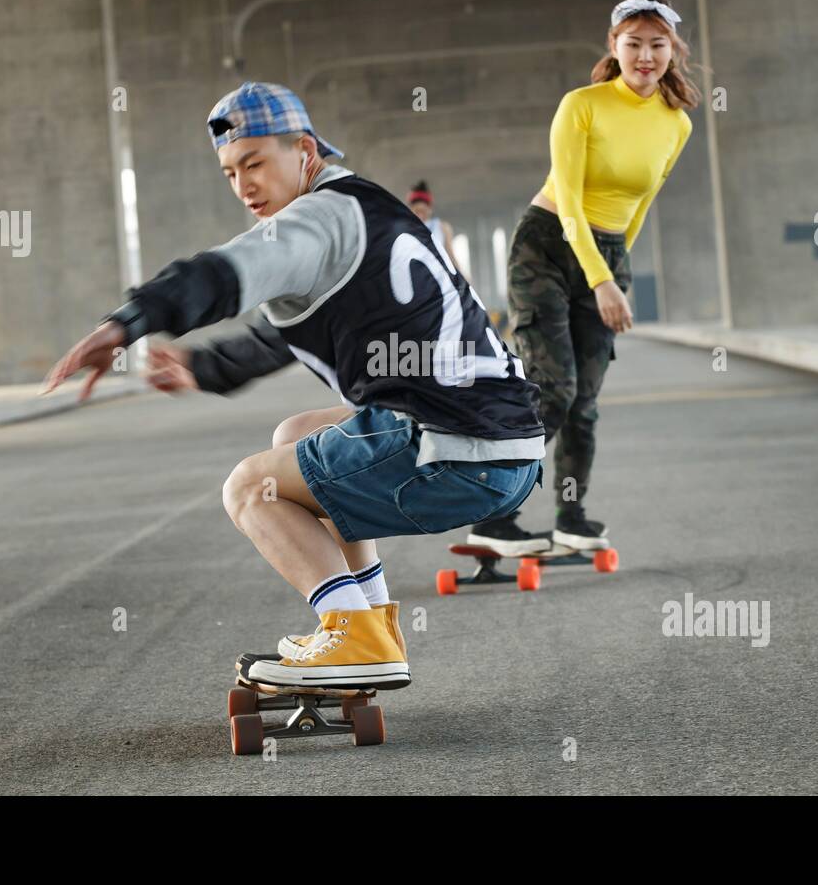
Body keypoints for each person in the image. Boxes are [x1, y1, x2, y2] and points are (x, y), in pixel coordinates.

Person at [42, 81, 544, 692]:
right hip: (508, 450)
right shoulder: (367, 210)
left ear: (304, 151)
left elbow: (226, 271)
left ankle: (350, 633)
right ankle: (372, 629)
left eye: (255, 163)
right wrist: (203, 368)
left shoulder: (315, 218)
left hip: (456, 455)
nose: (243, 185)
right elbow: (280, 333)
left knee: (250, 486)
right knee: (300, 434)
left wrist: (129, 322)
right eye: (229, 172)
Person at [468, 0, 700, 556]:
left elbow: (640, 206)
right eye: (634, 43)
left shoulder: (677, 123)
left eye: (657, 44)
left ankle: (572, 515)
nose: (646, 56)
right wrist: (601, 281)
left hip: (607, 252)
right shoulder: (582, 106)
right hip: (546, 246)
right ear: (614, 46)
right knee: (552, 390)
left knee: (586, 402)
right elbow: (569, 203)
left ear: (673, 50)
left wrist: (615, 274)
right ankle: (494, 516)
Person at [407, 180, 464, 279]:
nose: (420, 215)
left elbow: (450, 255)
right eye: (417, 211)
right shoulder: (406, 228)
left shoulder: (443, 227)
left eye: (423, 211)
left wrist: (463, 278)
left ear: (430, 209)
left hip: (438, 278)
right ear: (411, 209)